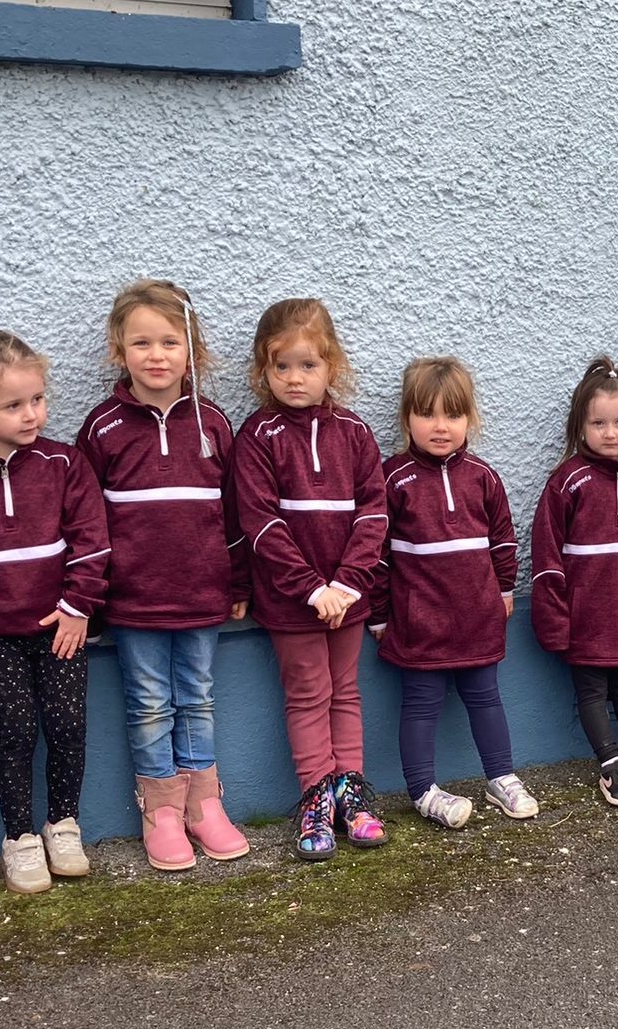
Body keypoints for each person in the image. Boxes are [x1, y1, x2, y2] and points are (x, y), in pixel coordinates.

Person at [76, 280, 250, 869]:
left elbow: (234, 514)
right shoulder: (103, 430)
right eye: (141, 342)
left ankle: (205, 803)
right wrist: (93, 597)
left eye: (170, 341)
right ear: (118, 351)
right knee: (150, 701)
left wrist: (240, 582)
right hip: (135, 602)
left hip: (202, 594)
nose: (157, 355)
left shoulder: (214, 425)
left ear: (191, 351)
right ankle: (162, 809)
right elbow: (87, 523)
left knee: (197, 698)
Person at [0, 331, 109, 893]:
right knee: (14, 732)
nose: (31, 414)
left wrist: (77, 608)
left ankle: (63, 825)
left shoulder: (64, 463)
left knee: (67, 726)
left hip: (60, 626)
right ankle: (19, 838)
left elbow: (92, 541)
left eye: (37, 399)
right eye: (13, 405)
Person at [233, 299, 390, 860]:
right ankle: (315, 798)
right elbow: (260, 521)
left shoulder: (354, 432)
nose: (295, 378)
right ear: (263, 370)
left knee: (345, 692)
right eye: (281, 367)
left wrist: (346, 585)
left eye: (308, 365)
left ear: (333, 367)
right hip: (292, 601)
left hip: (349, 598)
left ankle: (352, 794)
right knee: (308, 695)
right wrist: (312, 588)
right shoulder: (259, 435)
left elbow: (374, 513)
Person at [368, 357, 539, 828]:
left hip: (477, 617)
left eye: (453, 415)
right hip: (419, 622)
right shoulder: (392, 478)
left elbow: (504, 539)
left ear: (470, 419)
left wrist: (506, 588)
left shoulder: (482, 476)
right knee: (421, 705)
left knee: (486, 698)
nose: (440, 427)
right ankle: (423, 790)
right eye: (427, 414)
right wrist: (379, 616)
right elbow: (377, 554)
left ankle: (500, 777)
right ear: (406, 418)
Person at [530, 358, 618, 805]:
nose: (610, 432)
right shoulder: (568, 483)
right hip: (584, 615)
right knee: (591, 690)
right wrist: (554, 619)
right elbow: (547, 556)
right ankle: (610, 762)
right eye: (599, 422)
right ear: (581, 425)